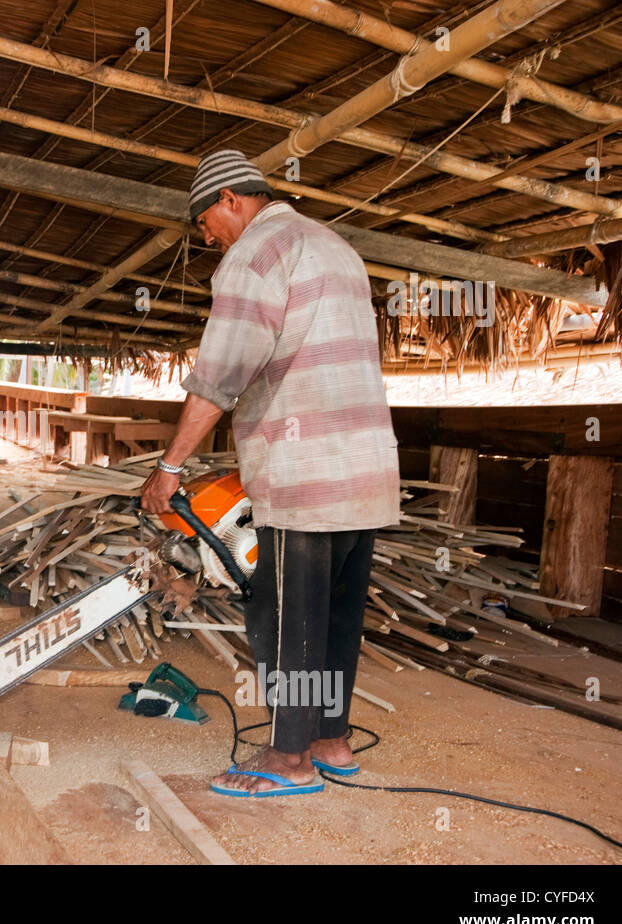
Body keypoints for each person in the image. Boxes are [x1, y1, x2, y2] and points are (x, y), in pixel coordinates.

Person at [139, 149, 401, 797]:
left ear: (231, 198)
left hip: (305, 471)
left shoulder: (255, 254)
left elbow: (218, 375)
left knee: (288, 615)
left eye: (206, 221)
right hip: (364, 464)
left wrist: (169, 466)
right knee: (339, 611)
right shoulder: (336, 247)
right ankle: (330, 739)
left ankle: (287, 758)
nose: (206, 237)